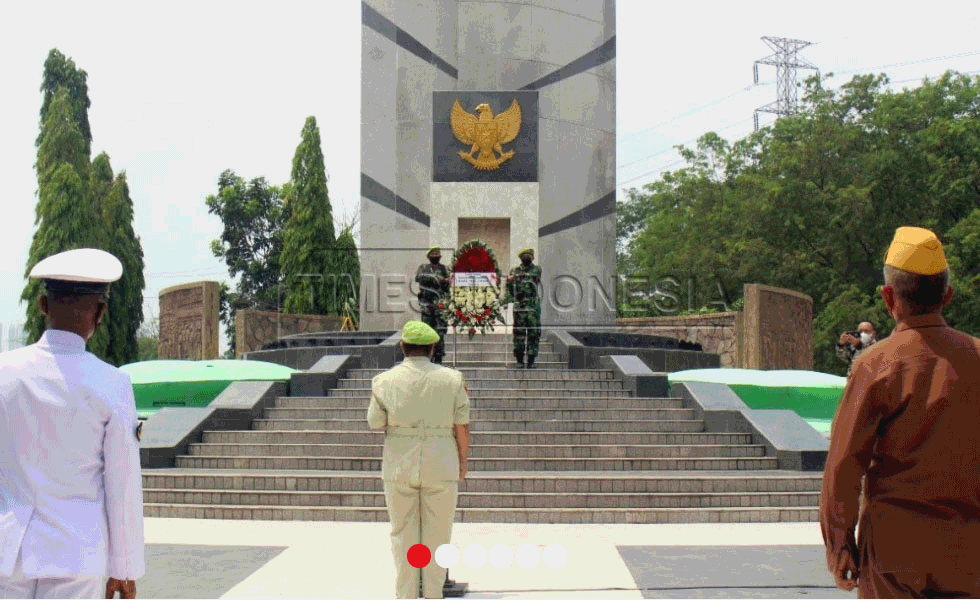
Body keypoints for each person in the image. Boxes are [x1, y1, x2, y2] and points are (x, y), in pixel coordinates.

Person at [821, 226, 980, 598]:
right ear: (948, 296)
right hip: (968, 551)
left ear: (888, 296)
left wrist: (841, 545)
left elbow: (843, 465)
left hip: (895, 552)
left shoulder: (876, 364)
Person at [0, 248, 144, 599]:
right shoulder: (111, 383)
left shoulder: (4, 373)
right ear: (101, 311)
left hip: (7, 551)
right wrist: (123, 568)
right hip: (75, 554)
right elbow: (121, 482)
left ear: (43, 305)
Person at [367, 321, 470, 599]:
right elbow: (462, 426)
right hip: (441, 464)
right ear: (432, 348)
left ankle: (406, 595)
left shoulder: (383, 381)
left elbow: (375, 422)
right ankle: (434, 594)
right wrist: (462, 463)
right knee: (438, 538)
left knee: (403, 537)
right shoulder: (453, 379)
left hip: (400, 465)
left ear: (403, 347)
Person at [505, 248, 541, 368]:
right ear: (520, 258)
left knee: (533, 333)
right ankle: (519, 360)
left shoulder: (536, 269)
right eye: (525, 255)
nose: (527, 257)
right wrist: (508, 300)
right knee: (519, 333)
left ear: (533, 258)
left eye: (529, 255)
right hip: (519, 306)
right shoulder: (514, 270)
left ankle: (531, 361)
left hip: (532, 306)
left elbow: (534, 277)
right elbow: (509, 287)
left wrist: (515, 277)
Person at [415, 246, 450, 364]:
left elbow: (448, 284)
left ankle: (439, 357)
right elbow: (418, 278)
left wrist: (445, 281)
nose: (436, 255)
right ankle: (427, 356)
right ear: (429, 256)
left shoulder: (444, 269)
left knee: (440, 331)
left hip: (440, 305)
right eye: (433, 254)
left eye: (438, 253)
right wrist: (435, 278)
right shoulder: (423, 268)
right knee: (427, 330)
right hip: (427, 305)